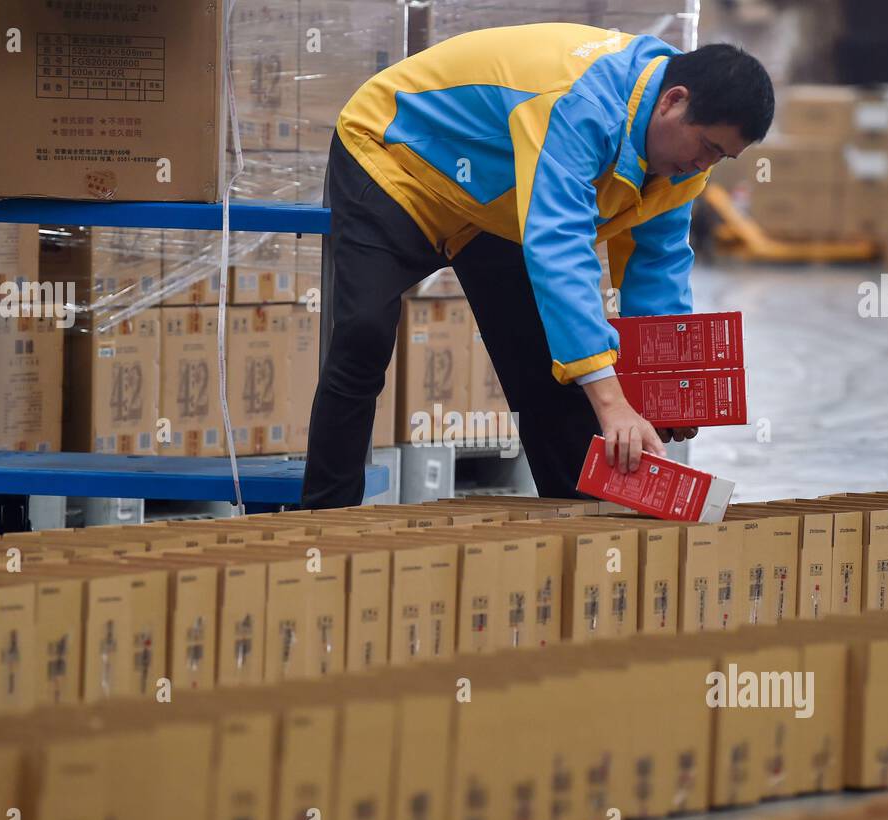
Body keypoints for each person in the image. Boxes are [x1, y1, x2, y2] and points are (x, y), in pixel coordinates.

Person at [301, 23, 774, 509]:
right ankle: (324, 521)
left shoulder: (682, 162)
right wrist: (613, 405)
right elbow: (560, 250)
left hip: (499, 193)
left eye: (721, 158)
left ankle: (585, 530)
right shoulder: (581, 104)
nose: (704, 166)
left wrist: (660, 391)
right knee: (363, 333)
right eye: (708, 147)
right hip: (401, 155)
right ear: (674, 101)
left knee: (549, 366)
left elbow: (658, 264)